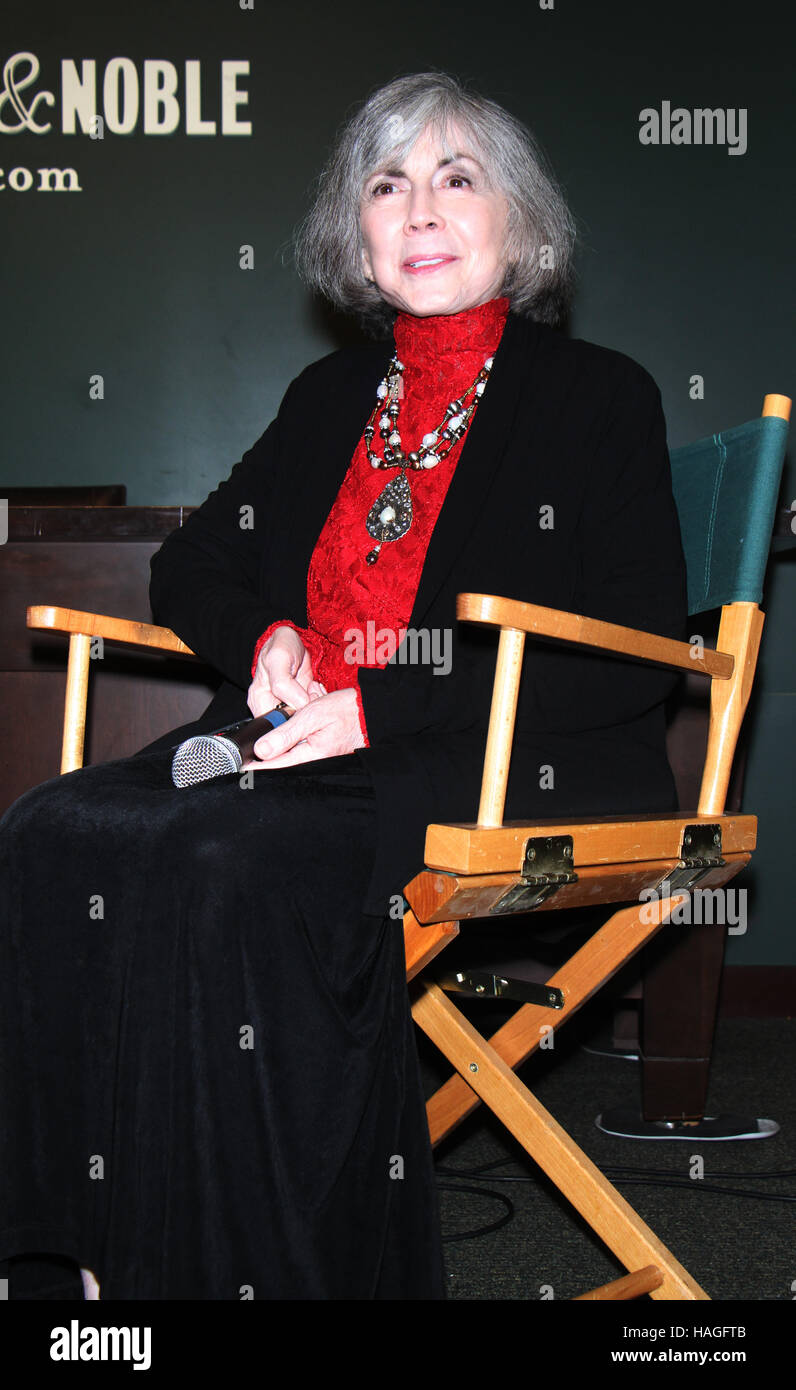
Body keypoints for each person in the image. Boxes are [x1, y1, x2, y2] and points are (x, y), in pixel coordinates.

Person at [0, 71, 686, 1300]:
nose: (419, 208)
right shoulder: (329, 400)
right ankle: (87, 1263)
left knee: (226, 864)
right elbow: (194, 561)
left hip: (495, 755)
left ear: (519, 227)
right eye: (387, 185)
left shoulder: (601, 399)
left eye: (455, 178)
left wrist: (378, 700)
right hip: (287, 748)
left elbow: (625, 642)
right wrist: (265, 629)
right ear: (357, 243)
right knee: (52, 829)